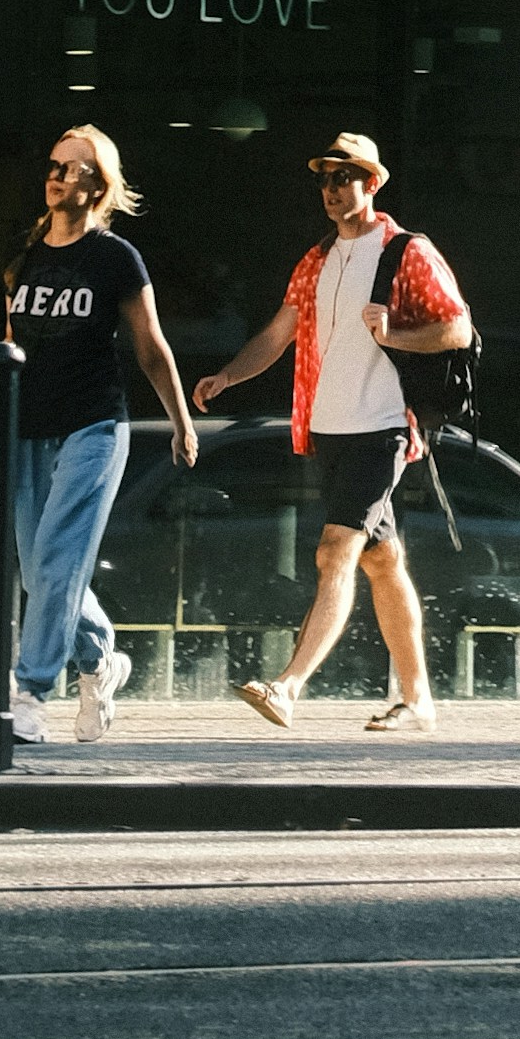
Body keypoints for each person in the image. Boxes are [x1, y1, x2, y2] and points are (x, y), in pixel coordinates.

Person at [195, 124, 472, 736]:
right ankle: (419, 700)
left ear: (371, 184)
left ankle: (287, 687)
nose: (332, 188)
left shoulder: (405, 252)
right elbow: (278, 333)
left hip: (383, 429)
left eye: (344, 176)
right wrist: (228, 377)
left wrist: (394, 334)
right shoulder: (316, 259)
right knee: (383, 561)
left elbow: (458, 329)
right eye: (325, 178)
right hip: (329, 431)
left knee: (333, 552)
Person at [6, 123, 200, 747]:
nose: (58, 175)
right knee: (41, 573)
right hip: (29, 428)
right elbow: (10, 345)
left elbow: (150, 346)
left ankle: (30, 692)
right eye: (55, 164)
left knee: (60, 556)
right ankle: (99, 659)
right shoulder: (26, 254)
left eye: (73, 169)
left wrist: (181, 421)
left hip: (93, 425)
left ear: (97, 187)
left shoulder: (116, 258)